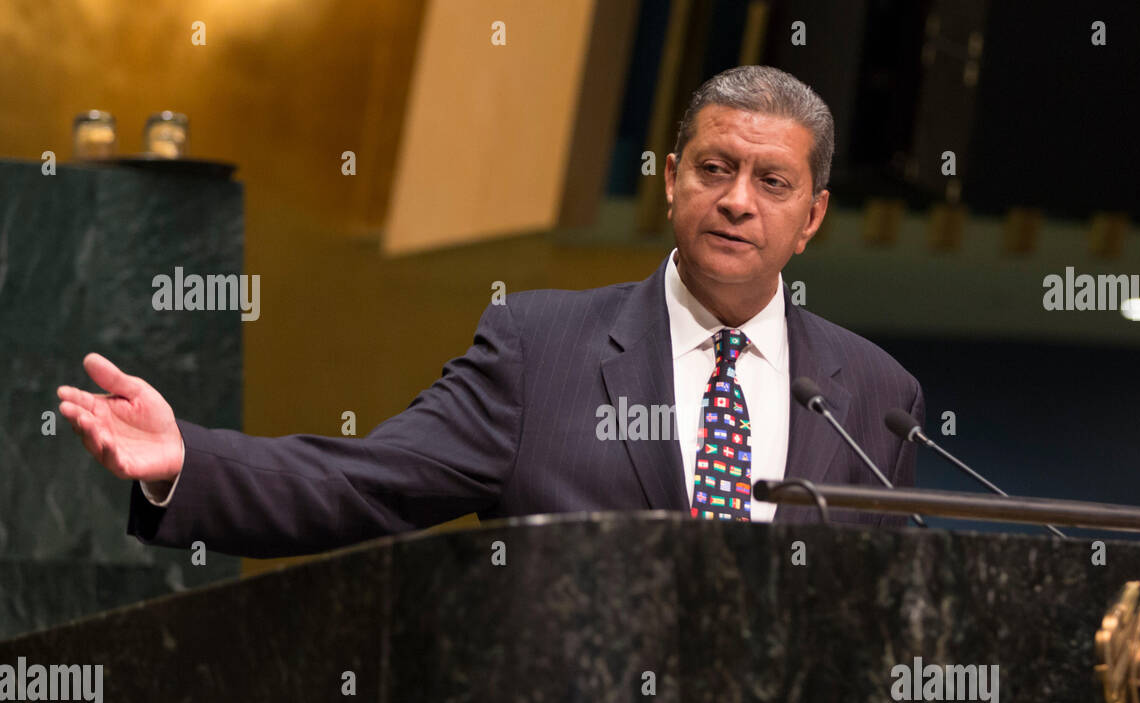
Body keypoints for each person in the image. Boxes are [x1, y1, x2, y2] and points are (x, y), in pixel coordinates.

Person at [56, 65, 924, 559]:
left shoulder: (873, 397)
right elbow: (366, 483)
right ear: (668, 180)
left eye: (771, 182)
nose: (737, 200)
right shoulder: (539, 349)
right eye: (713, 168)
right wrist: (186, 461)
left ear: (811, 217)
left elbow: (894, 606)